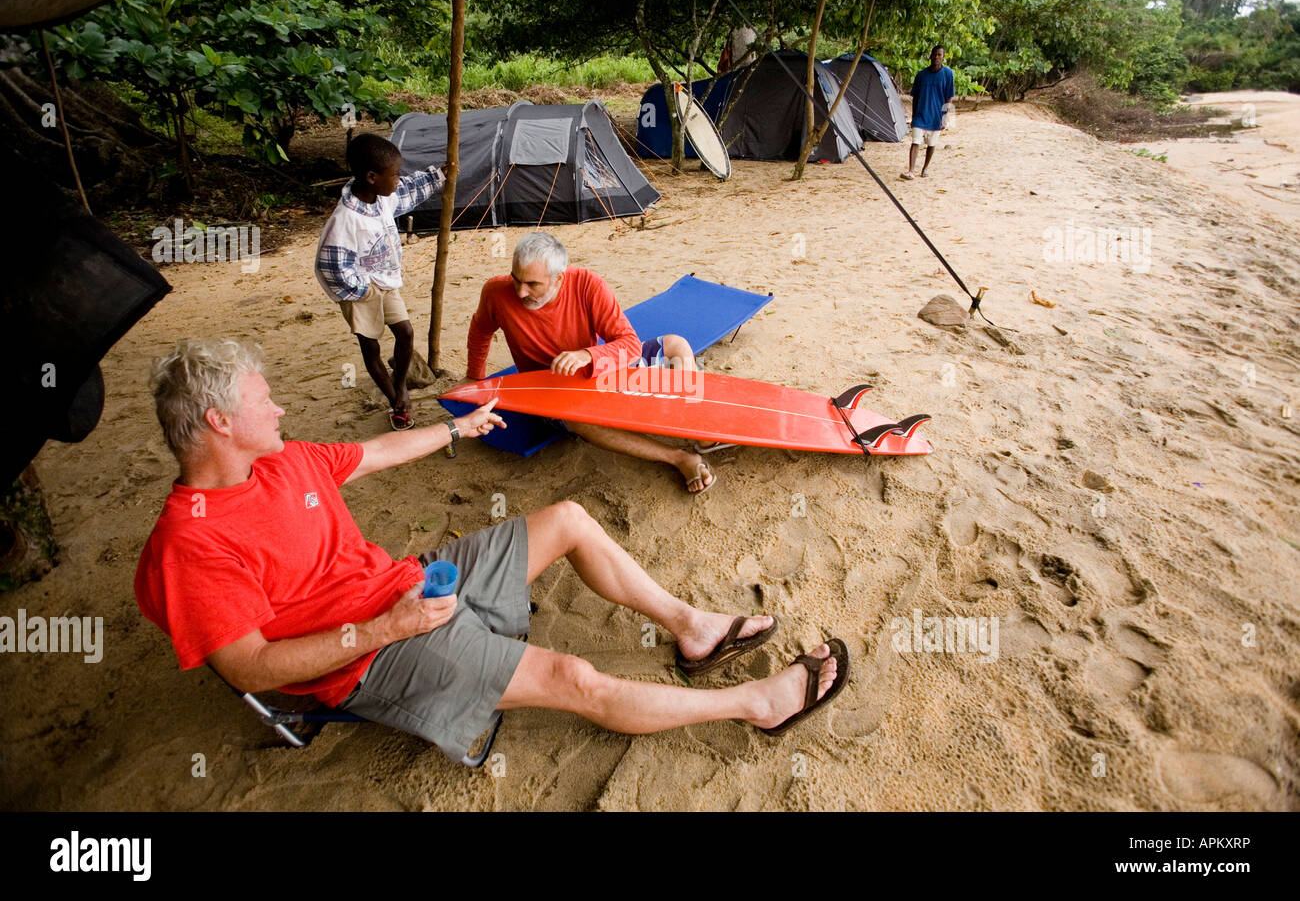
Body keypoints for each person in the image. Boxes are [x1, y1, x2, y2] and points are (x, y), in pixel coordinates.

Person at [134, 339, 849, 766]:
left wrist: (457, 430)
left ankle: (693, 630)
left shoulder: (282, 462)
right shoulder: (191, 542)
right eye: (265, 401)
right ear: (221, 423)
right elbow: (252, 666)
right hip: (368, 652)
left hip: (412, 586)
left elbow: (375, 451)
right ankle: (757, 703)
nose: (280, 411)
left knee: (568, 517)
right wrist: (387, 629)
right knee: (573, 677)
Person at [462, 232, 725, 494]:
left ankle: (698, 430)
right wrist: (474, 378)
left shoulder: (588, 284)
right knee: (578, 421)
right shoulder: (496, 292)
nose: (520, 292)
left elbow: (630, 344)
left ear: (559, 278)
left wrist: (588, 355)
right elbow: (480, 330)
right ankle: (679, 458)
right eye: (516, 279)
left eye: (532, 284)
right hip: (552, 392)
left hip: (598, 371)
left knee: (676, 344)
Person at [315, 133, 444, 430]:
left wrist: (439, 175)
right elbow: (329, 264)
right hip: (361, 289)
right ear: (372, 177)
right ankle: (394, 401)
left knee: (405, 332)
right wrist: (361, 291)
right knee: (370, 345)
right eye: (394, 174)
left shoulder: (380, 198)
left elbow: (408, 191)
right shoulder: (345, 219)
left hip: (385, 281)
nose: (398, 179)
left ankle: (399, 385)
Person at [902, 45, 956, 180]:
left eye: (939, 55)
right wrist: (913, 116)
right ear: (930, 56)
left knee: (931, 144)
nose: (936, 57)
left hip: (936, 116)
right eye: (934, 54)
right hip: (921, 114)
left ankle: (925, 168)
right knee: (916, 141)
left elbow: (949, 98)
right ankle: (911, 171)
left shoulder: (948, 75)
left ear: (943, 57)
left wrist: (945, 117)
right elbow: (915, 97)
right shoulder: (921, 75)